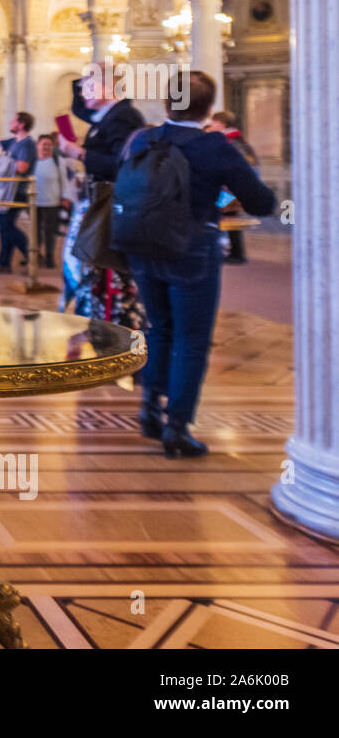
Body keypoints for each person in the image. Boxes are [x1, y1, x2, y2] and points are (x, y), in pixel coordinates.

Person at [121, 72, 276, 457]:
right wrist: (222, 201)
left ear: (167, 103)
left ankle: (148, 412)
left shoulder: (144, 138)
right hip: (193, 249)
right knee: (191, 340)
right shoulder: (214, 145)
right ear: (209, 108)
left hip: (141, 247)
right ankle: (177, 428)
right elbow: (262, 202)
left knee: (159, 329)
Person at [57, 74, 147, 329]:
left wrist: (79, 153)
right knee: (90, 266)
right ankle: (101, 321)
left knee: (104, 267)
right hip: (100, 201)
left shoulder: (123, 116)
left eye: (88, 88)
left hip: (111, 206)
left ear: (108, 89)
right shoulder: (109, 117)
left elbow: (122, 164)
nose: (82, 94)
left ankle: (114, 326)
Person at [0, 111, 36, 273]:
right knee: (3, 225)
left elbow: (22, 167)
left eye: (13, 121)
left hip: (18, 191)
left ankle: (31, 255)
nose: (11, 123)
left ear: (21, 124)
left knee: (4, 226)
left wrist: (3, 161)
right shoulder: (14, 142)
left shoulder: (27, 144)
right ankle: (4, 264)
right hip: (6, 190)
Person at [207, 111, 259, 264]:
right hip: (234, 186)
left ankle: (235, 253)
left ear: (221, 124)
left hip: (229, 187)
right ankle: (235, 252)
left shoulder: (228, 141)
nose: (212, 125)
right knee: (230, 218)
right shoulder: (236, 139)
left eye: (214, 122)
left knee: (225, 217)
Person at [33, 134, 76, 269]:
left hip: (52, 201)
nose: (46, 147)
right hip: (34, 201)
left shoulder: (58, 161)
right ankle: (36, 255)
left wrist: (66, 197)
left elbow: (64, 181)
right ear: (37, 146)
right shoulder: (32, 161)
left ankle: (50, 257)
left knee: (50, 231)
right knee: (35, 231)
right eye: (43, 144)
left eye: (49, 144)